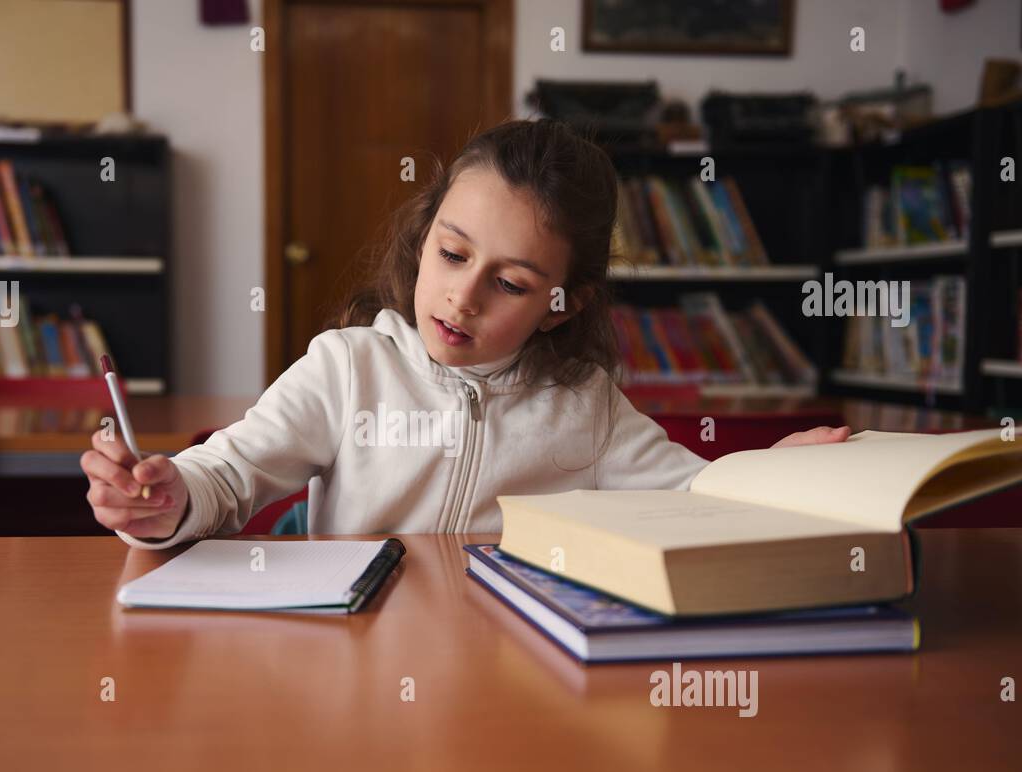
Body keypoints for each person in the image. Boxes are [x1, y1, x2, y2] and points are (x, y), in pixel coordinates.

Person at [81, 118, 848, 547]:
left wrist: (766, 472)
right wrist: (168, 498)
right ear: (426, 238)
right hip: (351, 663)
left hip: (507, 678)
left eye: (511, 283)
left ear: (565, 303)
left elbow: (692, 494)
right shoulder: (348, 369)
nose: (463, 295)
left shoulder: (587, 407)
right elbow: (229, 474)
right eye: (452, 253)